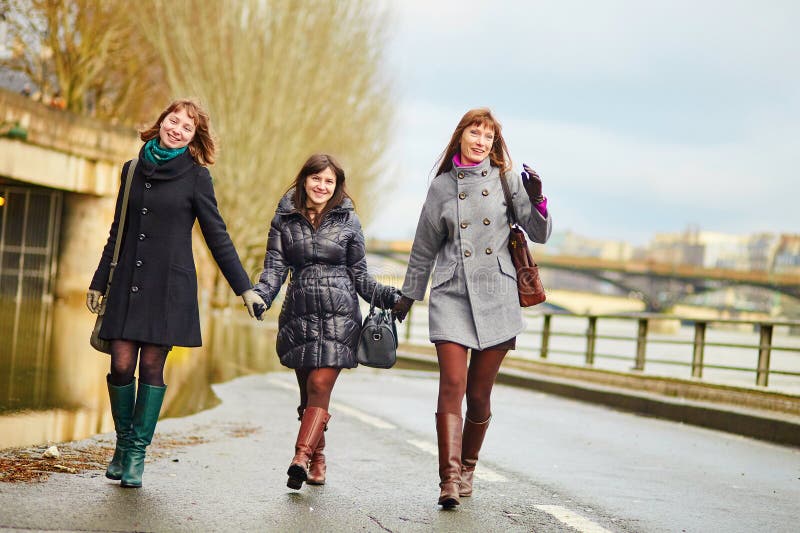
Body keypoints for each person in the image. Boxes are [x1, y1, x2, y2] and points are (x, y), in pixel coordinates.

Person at [86, 99, 265, 488]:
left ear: (194, 137)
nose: (177, 129)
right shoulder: (131, 170)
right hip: (128, 283)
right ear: (161, 121)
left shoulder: (197, 178)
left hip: (168, 289)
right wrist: (99, 281)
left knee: (152, 367)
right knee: (120, 364)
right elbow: (118, 231)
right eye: (173, 120)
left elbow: (217, 236)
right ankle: (122, 444)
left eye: (187, 127)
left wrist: (244, 288)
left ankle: (136, 454)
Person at [392, 108, 552, 509]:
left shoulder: (507, 180)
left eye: (488, 136)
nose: (481, 141)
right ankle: (448, 480)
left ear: (494, 143)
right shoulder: (442, 187)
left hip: (497, 294)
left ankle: (467, 466)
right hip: (451, 294)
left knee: (479, 396)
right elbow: (423, 246)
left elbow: (539, 233)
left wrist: (537, 198)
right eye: (474, 133)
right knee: (452, 384)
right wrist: (409, 295)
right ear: (460, 136)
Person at [253, 153, 399, 490]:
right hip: (299, 315)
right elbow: (274, 267)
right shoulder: (284, 218)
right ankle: (318, 459)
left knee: (320, 385)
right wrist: (262, 295)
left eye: (329, 181)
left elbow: (361, 276)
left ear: (337, 186)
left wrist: (391, 297)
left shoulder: (349, 221)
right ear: (305, 179)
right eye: (316, 178)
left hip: (340, 317)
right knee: (308, 395)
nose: (322, 186)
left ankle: (300, 458)